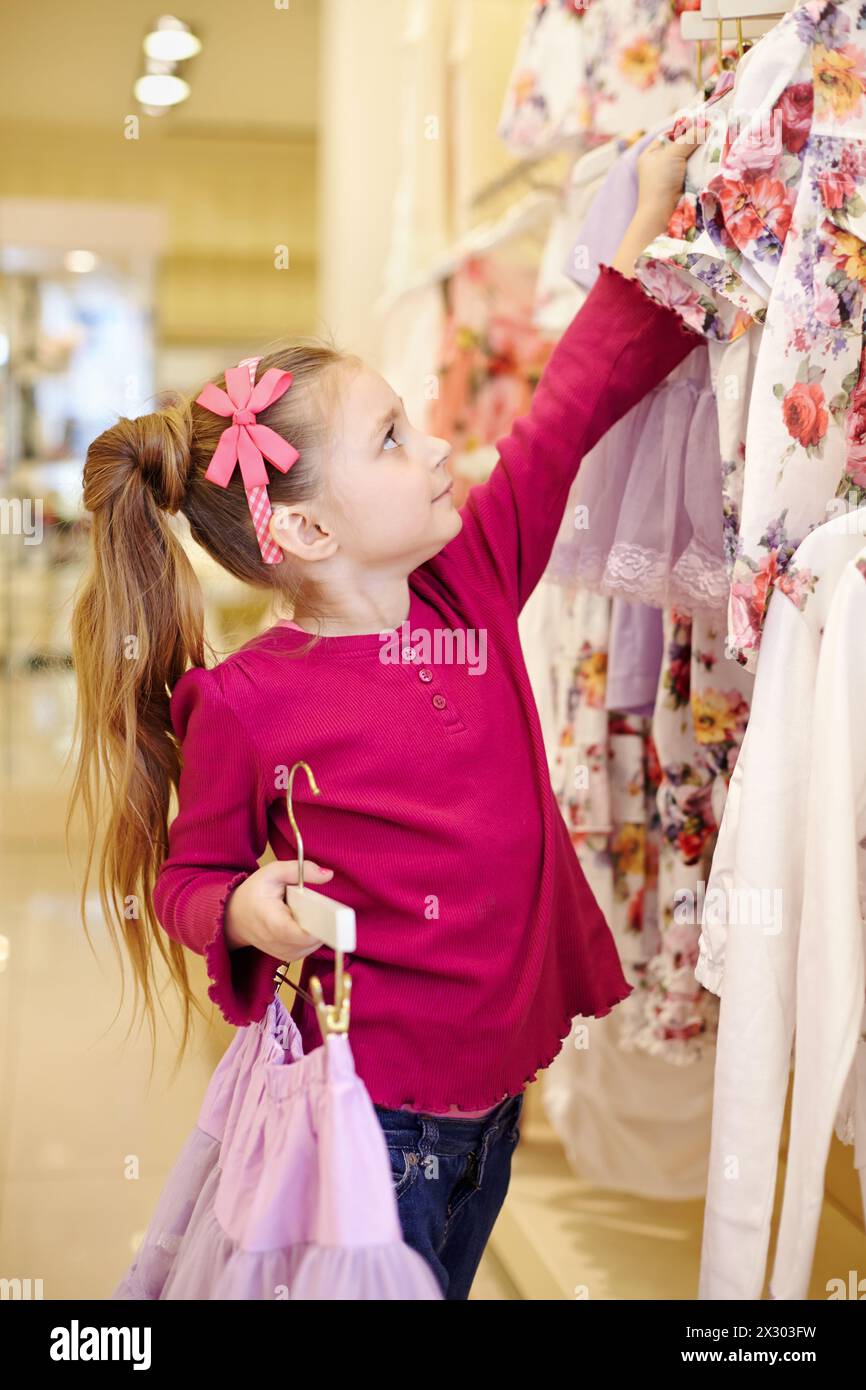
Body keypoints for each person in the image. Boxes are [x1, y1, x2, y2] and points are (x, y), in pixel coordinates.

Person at [69, 135, 702, 1299]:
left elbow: (569, 405)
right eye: (394, 440)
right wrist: (245, 905)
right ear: (305, 533)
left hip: (495, 1100)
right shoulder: (245, 702)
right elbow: (187, 874)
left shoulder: (470, 578)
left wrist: (654, 221)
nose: (441, 447)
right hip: (372, 1122)